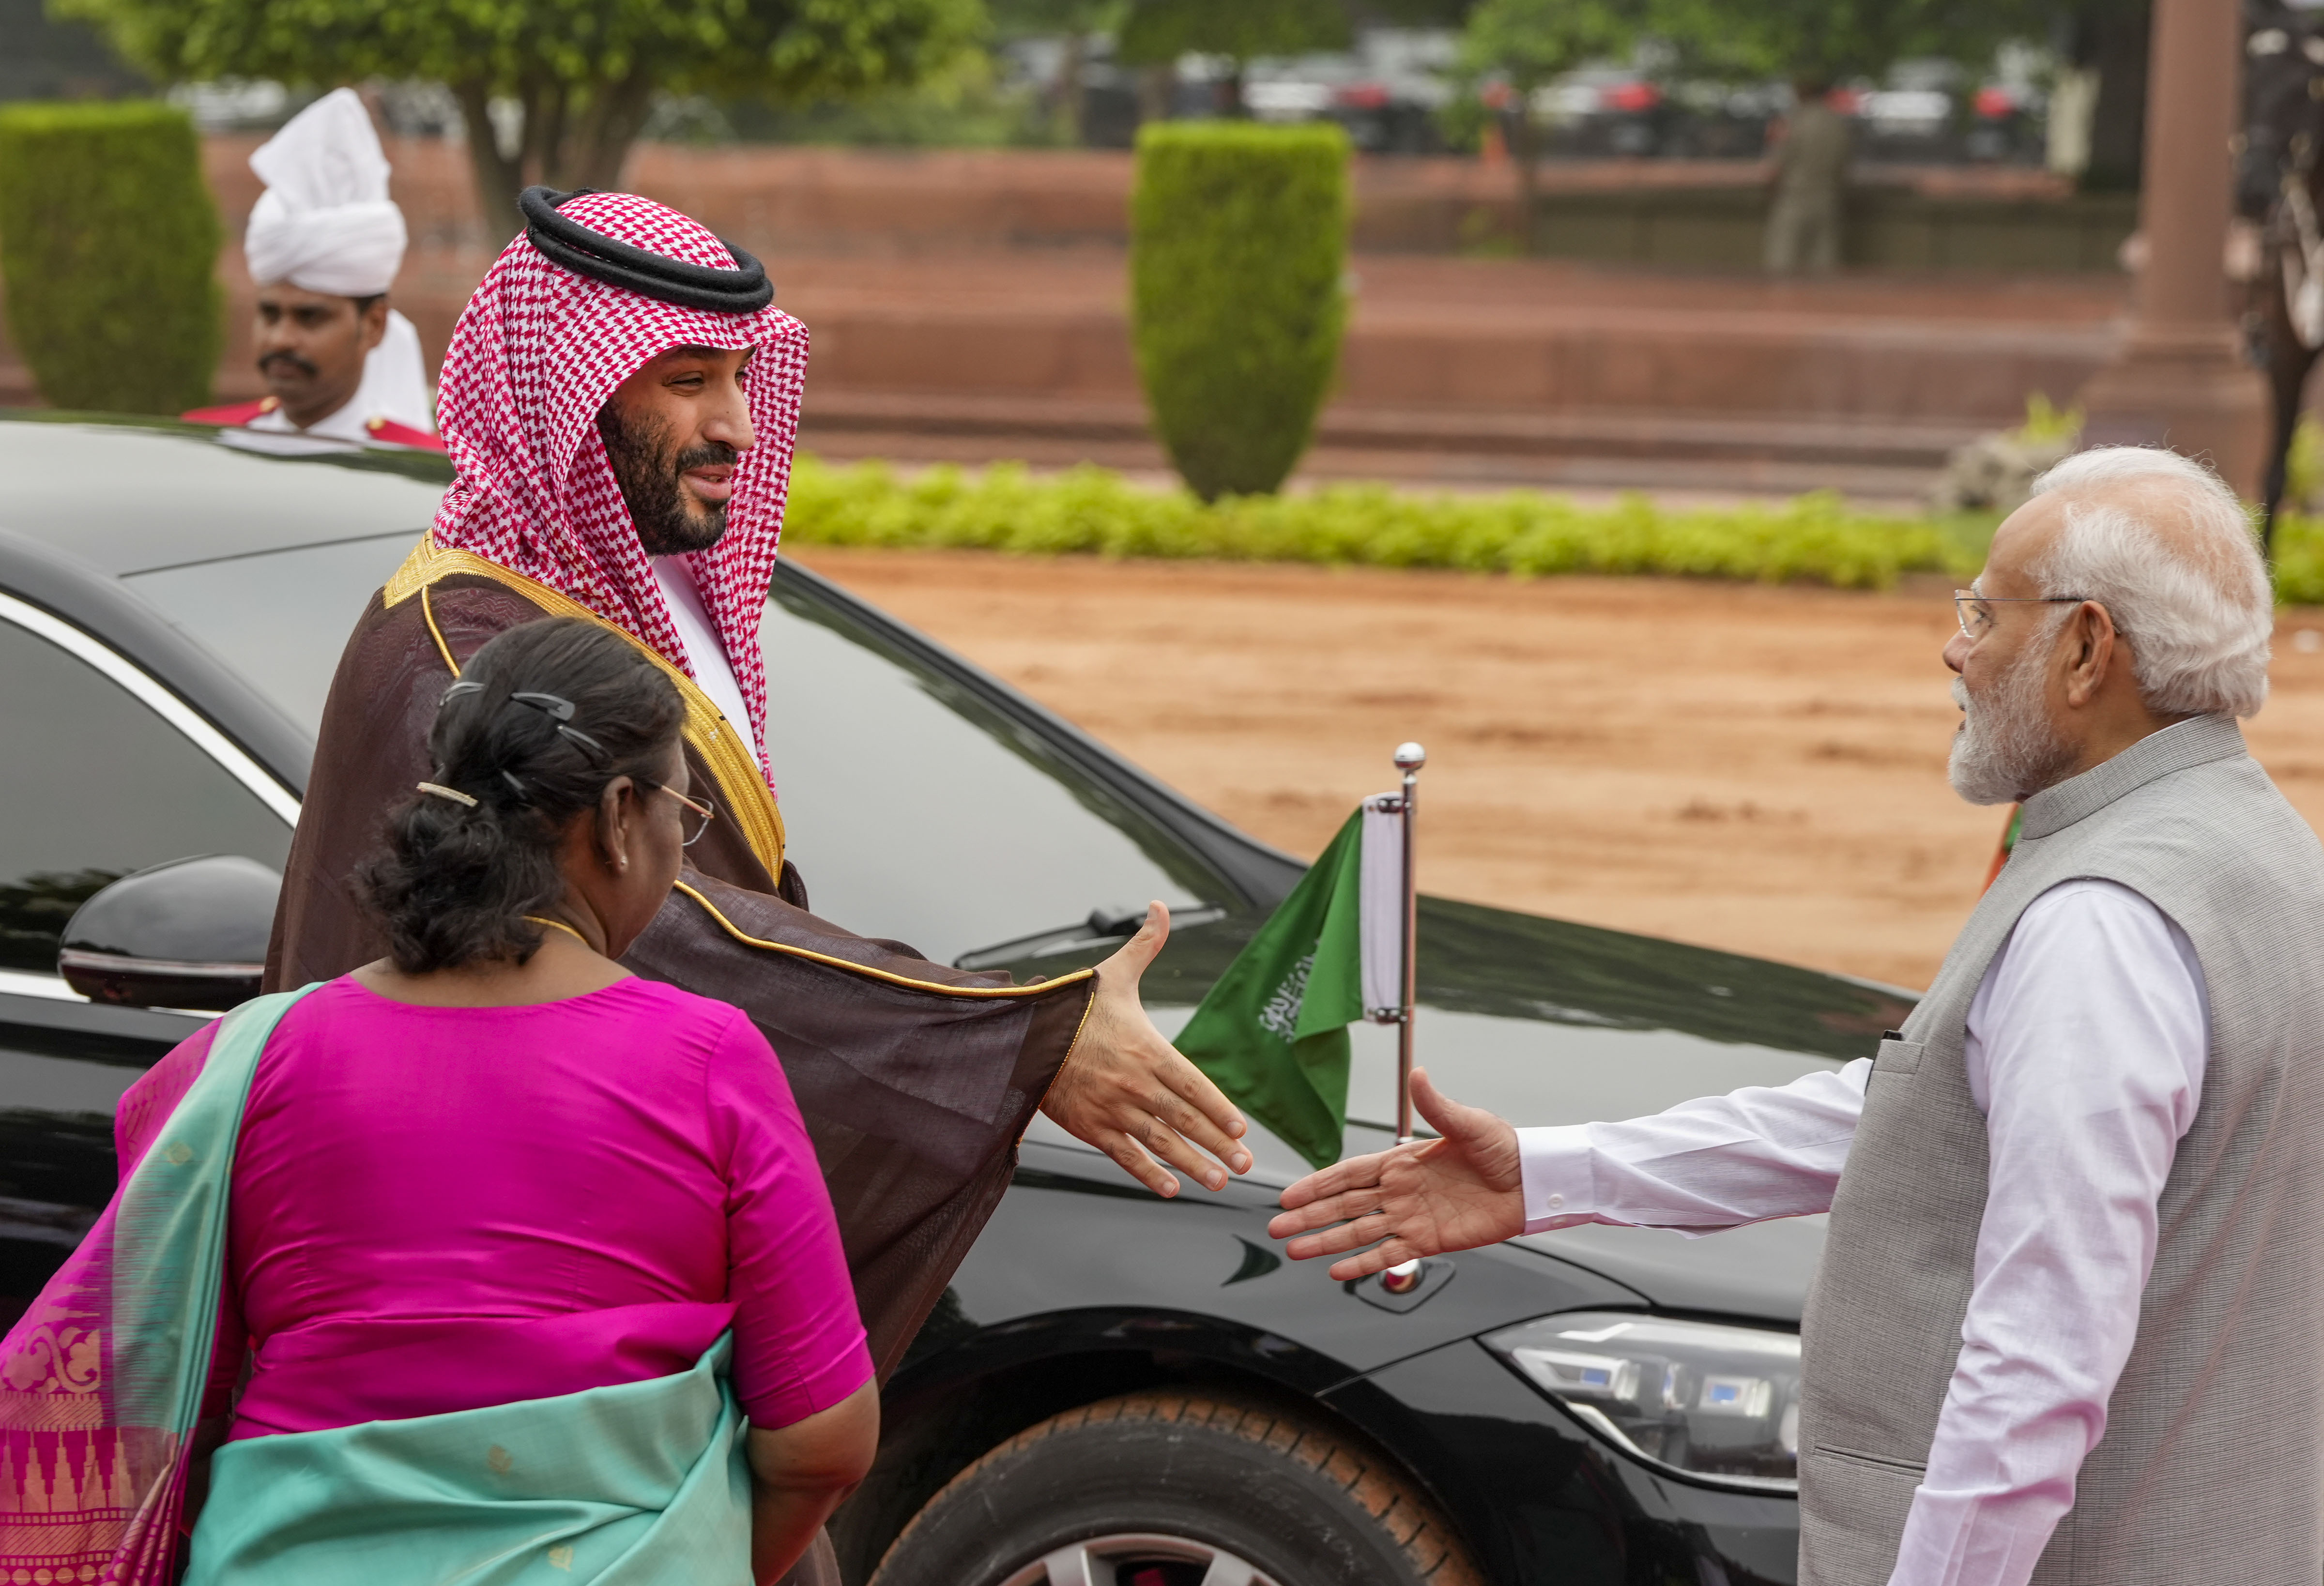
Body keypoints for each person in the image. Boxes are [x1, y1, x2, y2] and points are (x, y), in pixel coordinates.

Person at [1269, 446, 2324, 1586]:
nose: (1954, 646)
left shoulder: (2097, 927)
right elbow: (1917, 1117)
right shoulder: (2259, 854)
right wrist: (1549, 1177)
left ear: (2083, 650)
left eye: (1983, 610)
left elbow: (2035, 1368)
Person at [267, 186, 1252, 1390]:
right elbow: (665, 940)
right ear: (563, 394)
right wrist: (1015, 1031)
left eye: (741, 376)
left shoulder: (639, 604)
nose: (735, 425)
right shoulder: (464, 657)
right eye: (684, 380)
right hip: (476, 1315)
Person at [0, 618, 874, 1584]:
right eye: (683, 812)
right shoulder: (706, 1060)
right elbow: (822, 1441)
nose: (680, 843)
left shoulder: (260, 1059)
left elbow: (144, 1376)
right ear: (621, 817)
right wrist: (686, 1555)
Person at [182, 89, 442, 451]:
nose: (280, 339)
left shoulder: (420, 470)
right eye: (270, 314)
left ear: (373, 326)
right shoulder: (204, 444)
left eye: (310, 317)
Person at [1765, 76, 1853, 276]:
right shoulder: (1837, 123)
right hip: (1829, 195)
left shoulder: (1795, 122)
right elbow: (1844, 164)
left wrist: (1772, 190)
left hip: (1795, 195)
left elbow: (1779, 163)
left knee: (1783, 260)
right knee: (1825, 261)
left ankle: (1781, 304)